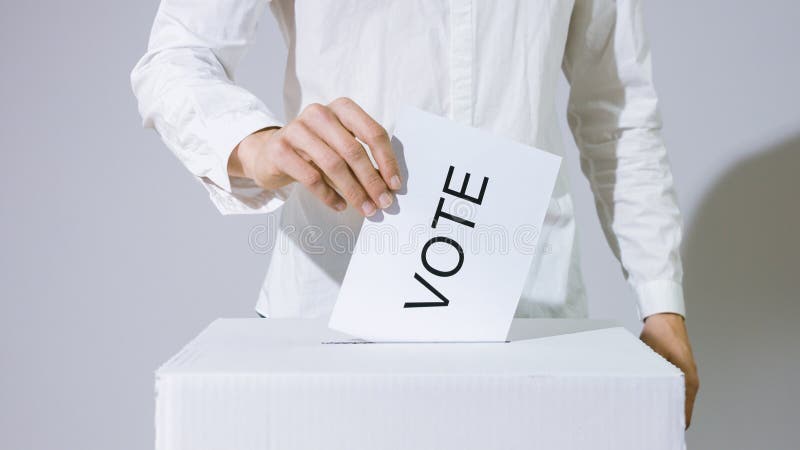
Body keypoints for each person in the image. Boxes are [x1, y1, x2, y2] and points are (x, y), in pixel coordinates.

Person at [131, 0, 698, 427]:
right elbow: (177, 56)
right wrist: (254, 143)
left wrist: (661, 302)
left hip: (530, 323)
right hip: (329, 312)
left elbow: (615, 109)